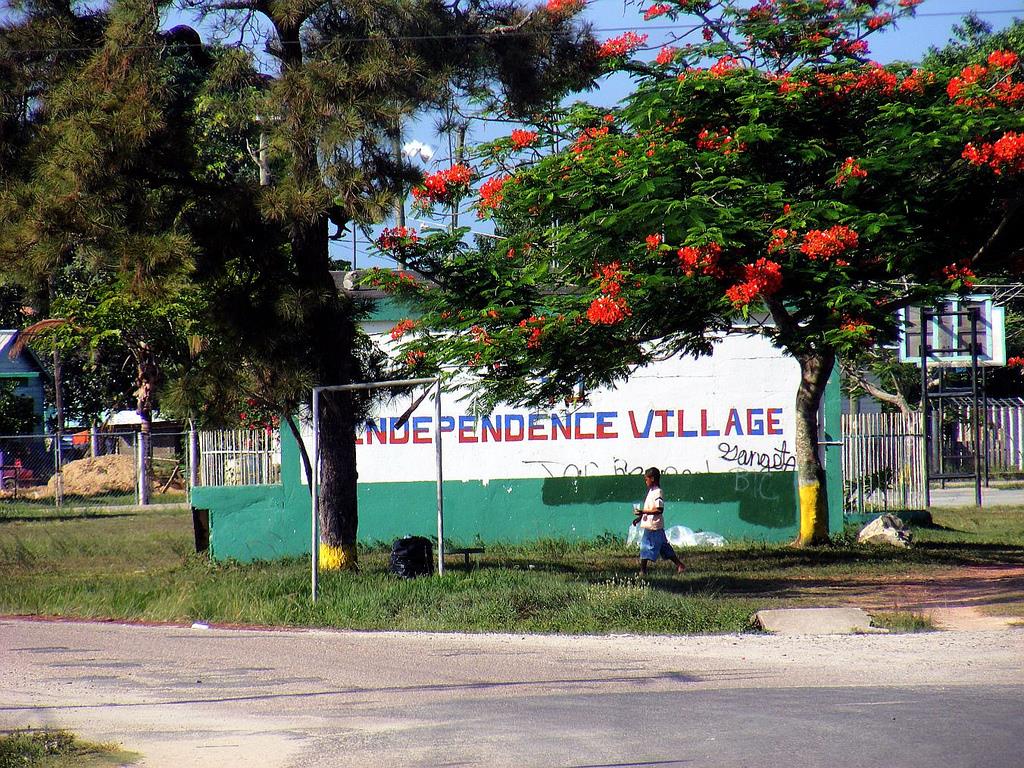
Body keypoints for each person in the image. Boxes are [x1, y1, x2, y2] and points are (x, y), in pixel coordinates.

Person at [631, 467, 685, 576]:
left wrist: (643, 511)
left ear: (653, 479)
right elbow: (649, 508)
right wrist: (640, 518)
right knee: (664, 547)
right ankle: (679, 564)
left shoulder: (658, 492)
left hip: (653, 526)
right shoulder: (651, 492)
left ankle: (643, 571)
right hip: (652, 525)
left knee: (645, 547)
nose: (645, 481)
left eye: (647, 479)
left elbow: (659, 509)